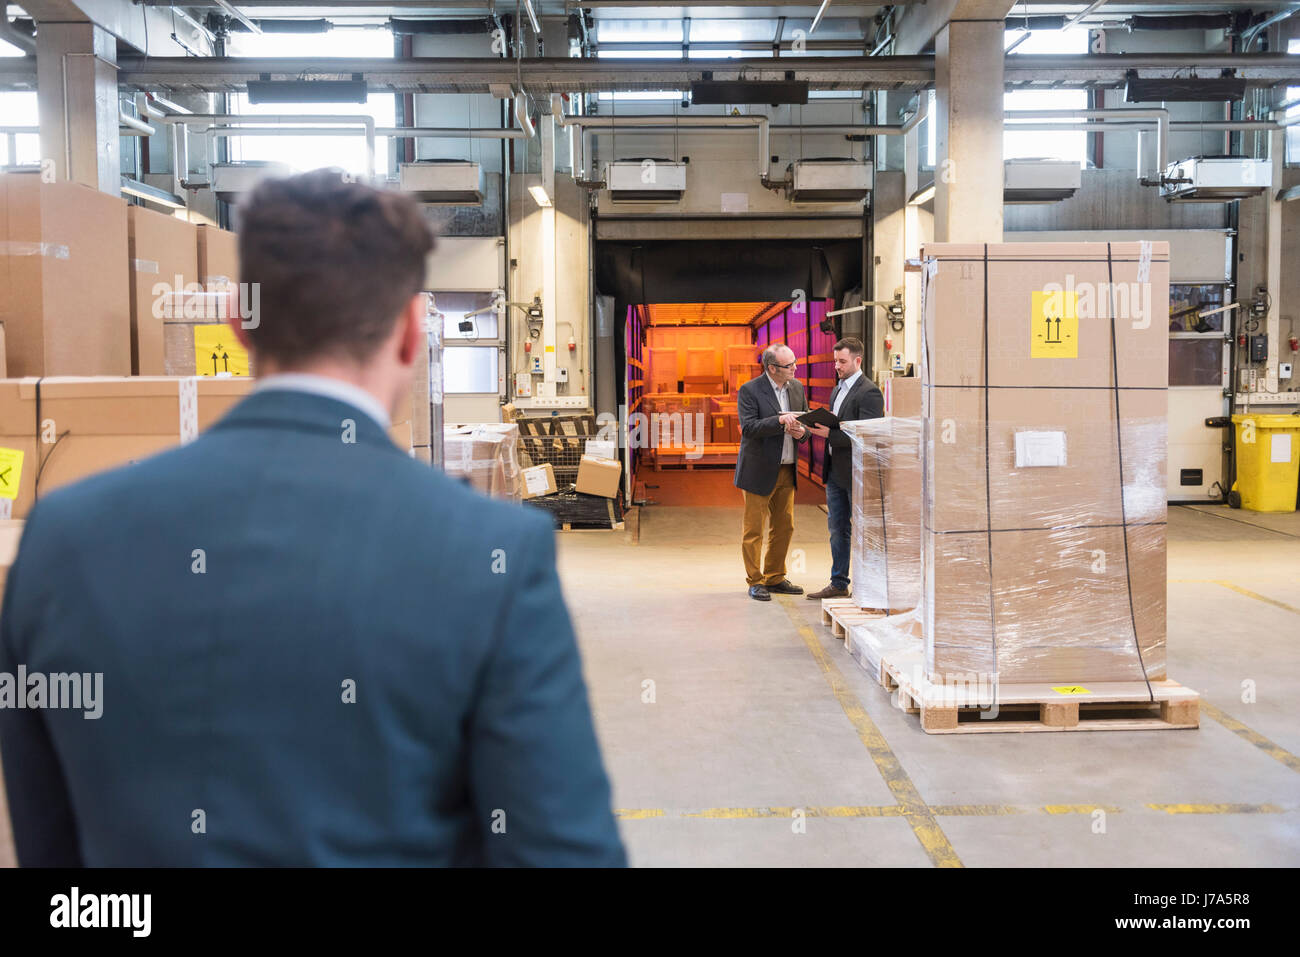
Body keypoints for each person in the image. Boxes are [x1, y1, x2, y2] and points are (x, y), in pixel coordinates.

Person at [0, 170, 626, 868]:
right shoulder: (492, 553)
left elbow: (51, 856)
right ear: (412, 333)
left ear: (239, 319)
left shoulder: (65, 538)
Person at [804, 337, 884, 601]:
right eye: (835, 361)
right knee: (837, 528)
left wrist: (830, 435)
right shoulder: (837, 390)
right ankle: (839, 582)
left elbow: (869, 435)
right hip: (835, 473)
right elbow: (840, 425)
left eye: (842, 361)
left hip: (856, 473)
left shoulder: (869, 392)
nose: (836, 366)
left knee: (862, 529)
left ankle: (867, 585)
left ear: (857, 361)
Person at [734, 344, 810, 602]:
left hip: (787, 468)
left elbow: (806, 421)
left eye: (794, 363)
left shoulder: (797, 388)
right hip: (759, 470)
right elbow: (749, 428)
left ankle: (775, 576)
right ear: (772, 368)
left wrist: (803, 433)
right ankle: (755, 581)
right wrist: (779, 421)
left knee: (784, 526)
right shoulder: (750, 390)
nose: (795, 369)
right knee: (754, 529)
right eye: (790, 366)